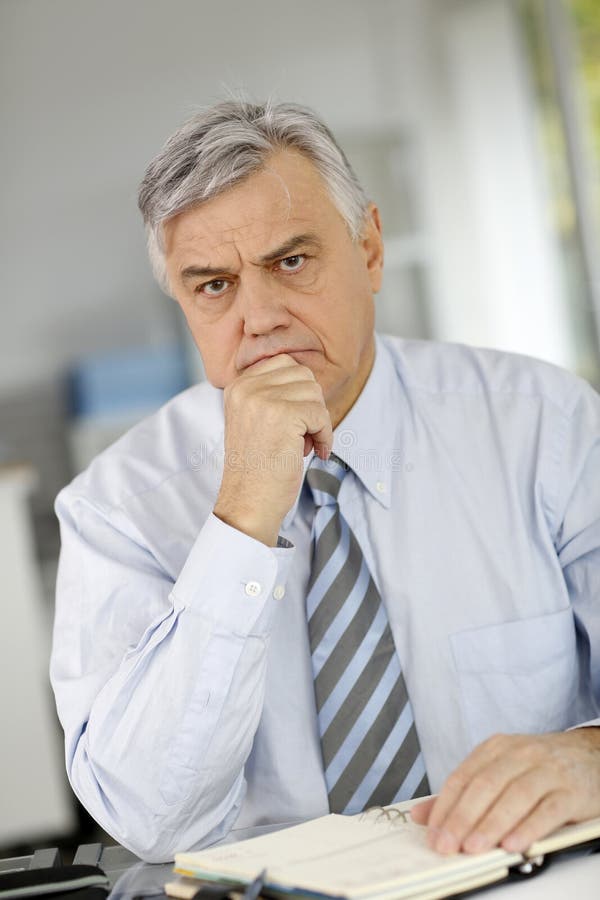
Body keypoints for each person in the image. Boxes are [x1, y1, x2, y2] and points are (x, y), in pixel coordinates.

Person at [50, 100, 600, 864]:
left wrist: (591, 757)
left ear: (370, 247)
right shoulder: (117, 509)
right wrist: (243, 519)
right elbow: (149, 821)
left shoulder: (546, 427)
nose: (260, 317)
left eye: (291, 262)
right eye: (214, 285)